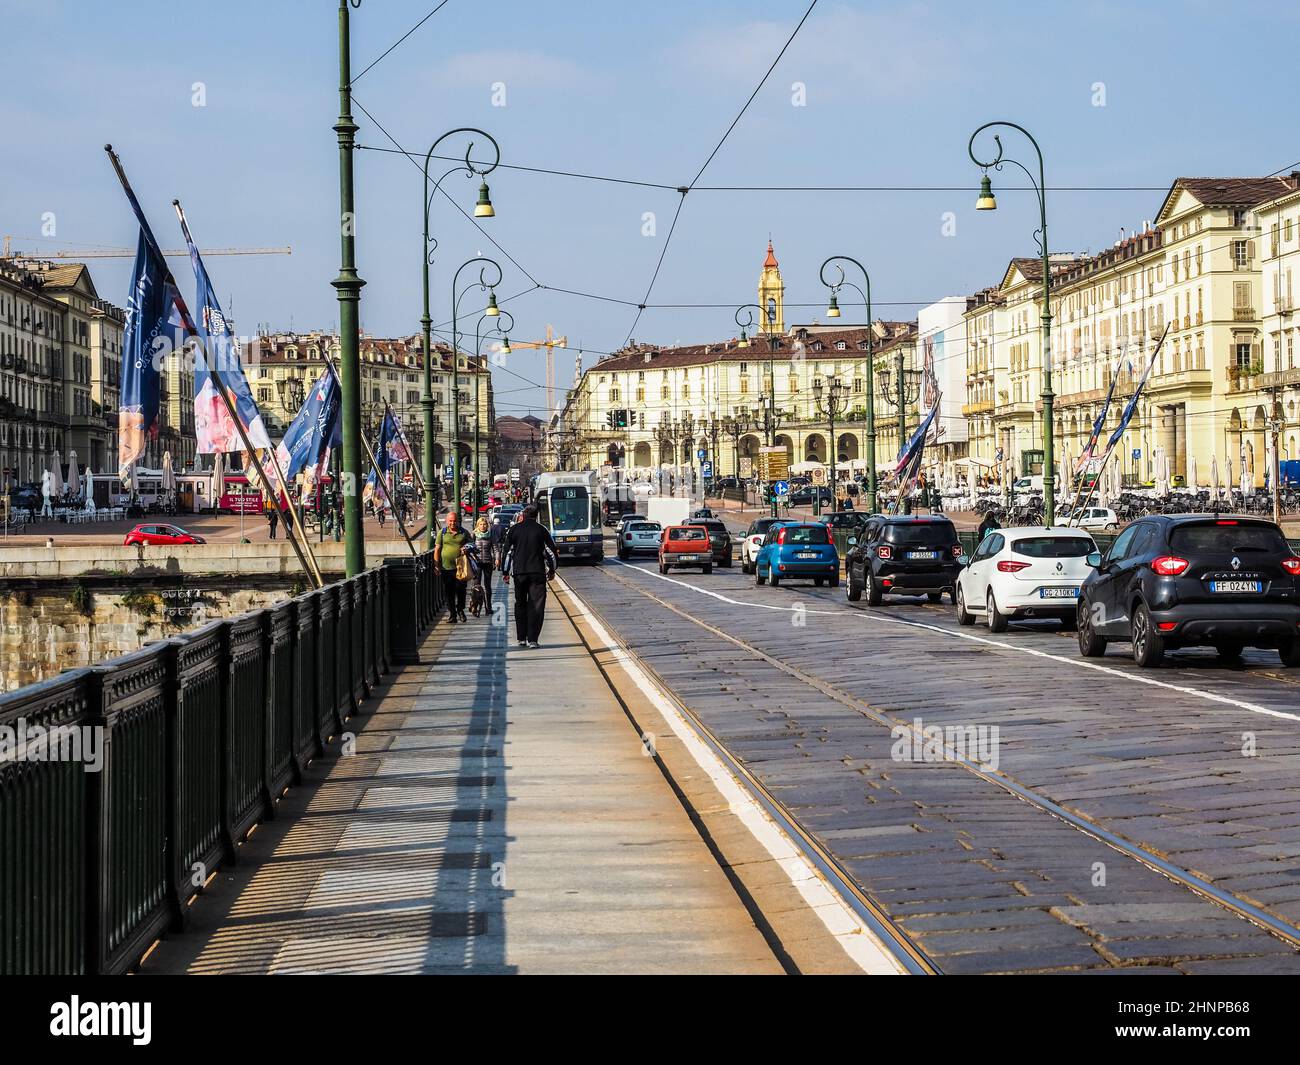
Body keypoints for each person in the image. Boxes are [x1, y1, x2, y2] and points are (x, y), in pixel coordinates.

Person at [500, 505, 558, 649]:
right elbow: (551, 552)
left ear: (523, 516)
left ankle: (521, 638)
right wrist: (552, 570)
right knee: (536, 605)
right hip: (537, 572)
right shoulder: (541, 530)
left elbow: (507, 553)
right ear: (536, 516)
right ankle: (532, 639)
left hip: (519, 573)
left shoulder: (514, 530)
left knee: (520, 604)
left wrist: (505, 572)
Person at [436, 511, 471, 623]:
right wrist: (436, 565)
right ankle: (453, 614)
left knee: (461, 590)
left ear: (458, 521)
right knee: (448, 592)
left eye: (454, 521)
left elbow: (472, 544)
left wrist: (466, 548)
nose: (452, 523)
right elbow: (437, 549)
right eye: (450, 521)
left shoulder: (464, 532)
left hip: (460, 567)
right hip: (446, 567)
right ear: (447, 521)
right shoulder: (442, 533)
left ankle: (460, 609)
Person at [473, 515, 495, 614]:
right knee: (476, 586)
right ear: (477, 526)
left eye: (484, 524)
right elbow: (469, 547)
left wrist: (497, 559)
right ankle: (475, 607)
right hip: (477, 563)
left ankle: (488, 607)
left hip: (487, 562)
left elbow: (495, 548)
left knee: (487, 586)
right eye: (481, 524)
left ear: (487, 525)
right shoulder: (474, 535)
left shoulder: (490, 535)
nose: (483, 526)